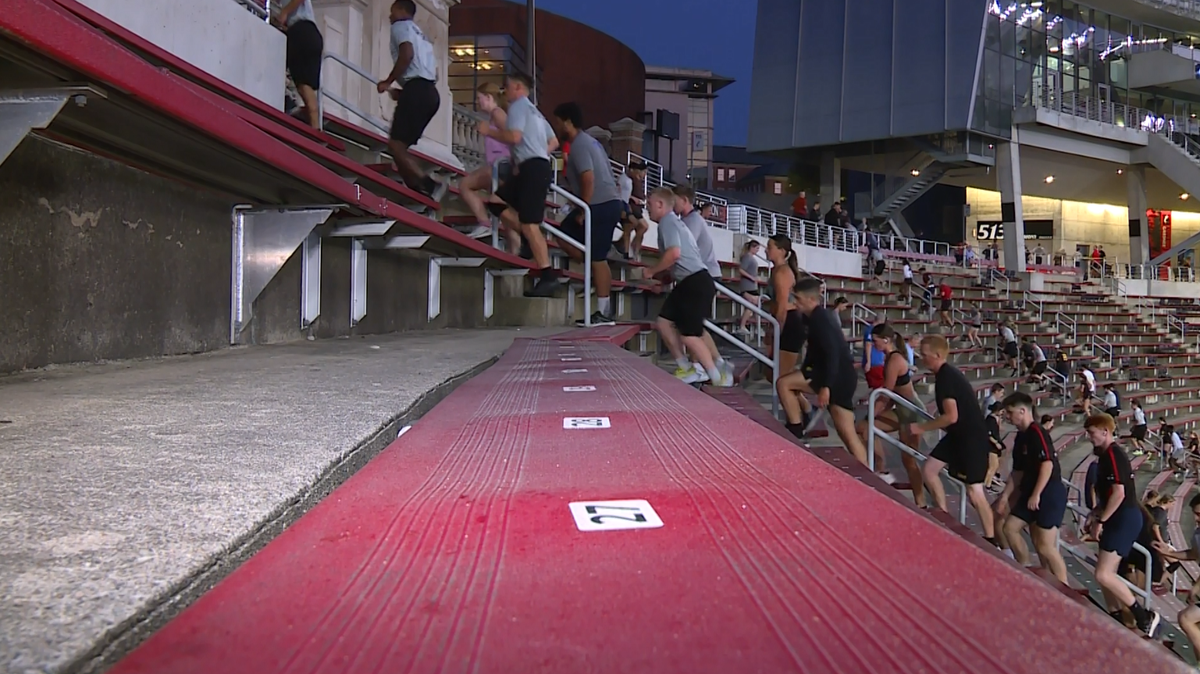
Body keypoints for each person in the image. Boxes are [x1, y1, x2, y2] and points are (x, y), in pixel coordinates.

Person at [908, 335, 997, 544]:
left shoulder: (947, 378)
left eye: (925, 355)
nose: (921, 358)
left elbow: (951, 416)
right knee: (929, 470)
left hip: (971, 438)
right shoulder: (944, 376)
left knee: (975, 491)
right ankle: (944, 517)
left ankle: (992, 540)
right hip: (957, 436)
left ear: (937, 355)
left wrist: (921, 427)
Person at [481, 72, 560, 297]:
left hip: (533, 168)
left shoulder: (517, 107)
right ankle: (528, 242)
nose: (505, 92)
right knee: (496, 202)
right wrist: (534, 154)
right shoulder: (536, 112)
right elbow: (553, 141)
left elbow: (514, 137)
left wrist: (490, 132)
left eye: (507, 88)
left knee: (530, 223)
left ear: (517, 87)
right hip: (531, 166)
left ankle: (547, 275)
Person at [1083, 413, 1161, 636]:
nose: (1089, 437)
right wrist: (1096, 512)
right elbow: (1109, 495)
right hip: (1117, 517)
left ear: (1105, 432)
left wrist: (1101, 520)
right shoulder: (1106, 457)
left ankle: (1144, 615)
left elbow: (1119, 493)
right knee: (1104, 572)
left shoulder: (1114, 455)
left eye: (1092, 433)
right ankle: (1117, 616)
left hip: (1124, 518)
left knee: (1103, 574)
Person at [777, 278, 866, 465]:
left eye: (798, 299)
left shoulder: (821, 319)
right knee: (847, 434)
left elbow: (833, 353)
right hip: (832, 374)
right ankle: (795, 427)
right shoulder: (811, 317)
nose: (795, 303)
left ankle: (795, 429)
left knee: (784, 383)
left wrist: (826, 386)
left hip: (837, 377)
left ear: (811, 299)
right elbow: (813, 351)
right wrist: (805, 370)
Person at [642, 187, 726, 387]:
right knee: (664, 322)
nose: (647, 209)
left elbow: (674, 254)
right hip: (691, 280)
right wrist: (663, 280)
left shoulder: (668, 222)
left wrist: (651, 271)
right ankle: (686, 367)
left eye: (649, 205)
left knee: (690, 334)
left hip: (694, 281)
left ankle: (716, 376)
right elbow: (678, 261)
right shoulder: (674, 223)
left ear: (661, 205)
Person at [552, 102, 623, 326]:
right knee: (564, 234)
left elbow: (588, 178)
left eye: (558, 121)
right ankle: (590, 262)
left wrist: (584, 207)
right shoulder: (590, 142)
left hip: (599, 205)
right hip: (606, 203)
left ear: (567, 122)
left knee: (598, 258)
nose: (556, 126)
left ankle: (603, 312)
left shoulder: (580, 145)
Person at [994, 392, 1069, 584]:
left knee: (1044, 545)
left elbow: (1047, 464)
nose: (1008, 417)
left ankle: (1064, 587)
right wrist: (1005, 497)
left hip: (1048, 491)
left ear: (1022, 410)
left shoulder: (1037, 433)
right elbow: (1017, 472)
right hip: (1030, 491)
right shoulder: (1021, 438)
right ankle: (1026, 567)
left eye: (1010, 413)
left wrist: (1036, 494)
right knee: (1010, 528)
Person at [376, 0, 446, 201]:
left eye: (392, 11)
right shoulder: (421, 35)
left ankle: (429, 184)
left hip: (417, 91)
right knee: (400, 147)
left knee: (395, 145)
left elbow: (406, 54)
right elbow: (433, 73)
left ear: (402, 10)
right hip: (430, 93)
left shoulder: (401, 26)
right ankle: (416, 190)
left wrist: (387, 81)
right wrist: (405, 91)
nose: (390, 16)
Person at [856, 323, 925, 502]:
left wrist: (873, 411)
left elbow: (885, 395)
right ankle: (881, 469)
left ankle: (922, 501)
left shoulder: (894, 360)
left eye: (875, 340)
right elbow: (888, 394)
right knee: (863, 428)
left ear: (886, 340)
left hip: (912, 413)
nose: (873, 344)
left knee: (909, 460)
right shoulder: (890, 358)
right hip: (901, 410)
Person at [673, 185, 734, 382]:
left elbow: (681, 250)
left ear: (684, 200)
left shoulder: (692, 221)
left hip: (701, 276)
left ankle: (701, 366)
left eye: (673, 200)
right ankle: (715, 362)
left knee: (690, 326)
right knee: (695, 323)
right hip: (703, 275)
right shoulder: (690, 220)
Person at [460, 84, 518, 247]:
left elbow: (512, 136)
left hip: (500, 166)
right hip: (500, 167)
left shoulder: (498, 114)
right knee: (503, 211)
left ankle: (484, 223)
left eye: (480, 98)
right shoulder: (495, 116)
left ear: (488, 97)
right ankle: (516, 253)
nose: (478, 103)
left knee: (465, 185)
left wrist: (489, 132)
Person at [1153, 494, 1200, 653]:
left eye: (1199, 514)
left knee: (1185, 618)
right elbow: (1194, 554)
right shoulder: (1198, 533)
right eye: (1195, 513)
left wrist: (1195, 587)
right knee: (1195, 625)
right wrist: (1170, 553)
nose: (1195, 518)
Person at [276, 0, 323, 129]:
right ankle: (315, 125)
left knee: (303, 85)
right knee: (306, 85)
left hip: (301, 32)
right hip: (311, 33)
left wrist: (284, 12)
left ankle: (314, 126)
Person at [765, 234, 804, 379]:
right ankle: (801, 402)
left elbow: (782, 305)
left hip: (789, 322)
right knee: (774, 375)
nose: (766, 250)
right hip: (785, 320)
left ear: (782, 251)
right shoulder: (777, 271)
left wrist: (776, 331)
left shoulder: (782, 272)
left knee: (780, 377)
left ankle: (801, 402)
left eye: (770, 247)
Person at [736, 241, 763, 336]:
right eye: (756, 248)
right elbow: (741, 269)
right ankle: (743, 326)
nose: (757, 250)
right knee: (752, 306)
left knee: (754, 306)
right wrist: (751, 277)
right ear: (752, 247)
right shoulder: (747, 257)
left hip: (751, 285)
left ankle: (757, 327)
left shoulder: (750, 258)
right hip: (748, 286)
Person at [983, 401, 1006, 491]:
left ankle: (988, 484)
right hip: (991, 446)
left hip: (995, 445)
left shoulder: (995, 419)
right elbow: (988, 434)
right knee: (992, 466)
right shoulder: (990, 420)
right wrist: (996, 443)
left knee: (995, 466)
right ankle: (986, 485)